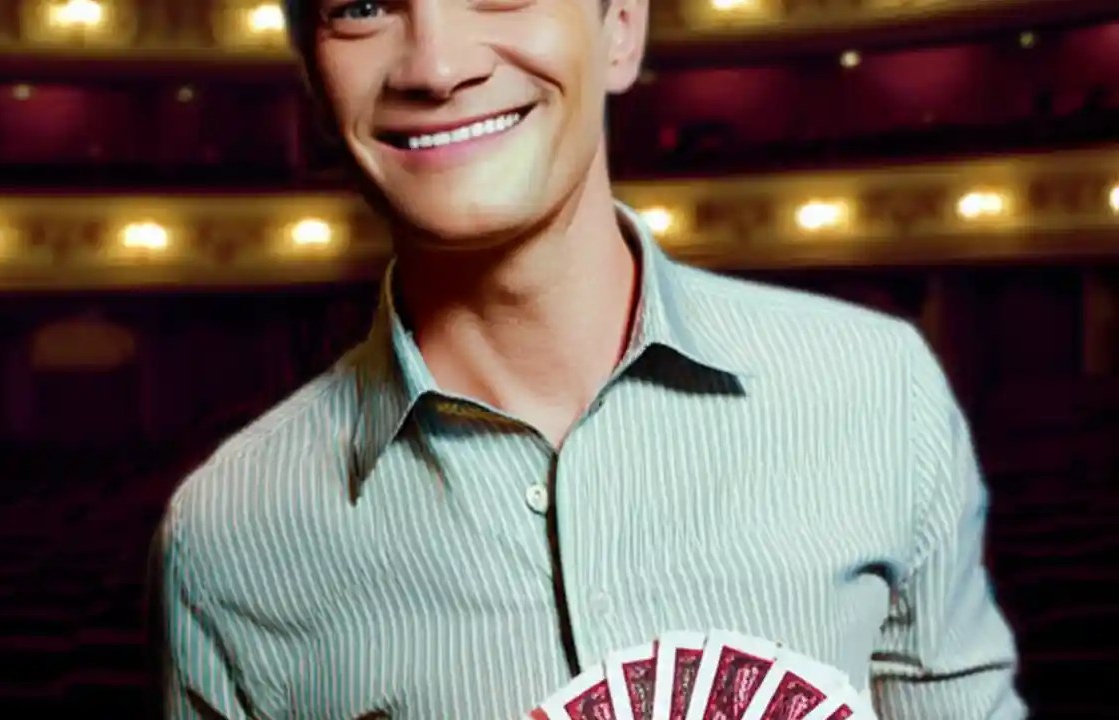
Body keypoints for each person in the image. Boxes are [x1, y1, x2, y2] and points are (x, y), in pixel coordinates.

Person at [148, 0, 1026, 716]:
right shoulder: (227, 533)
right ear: (311, 72)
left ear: (621, 31)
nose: (436, 65)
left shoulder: (878, 388)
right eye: (364, 7)